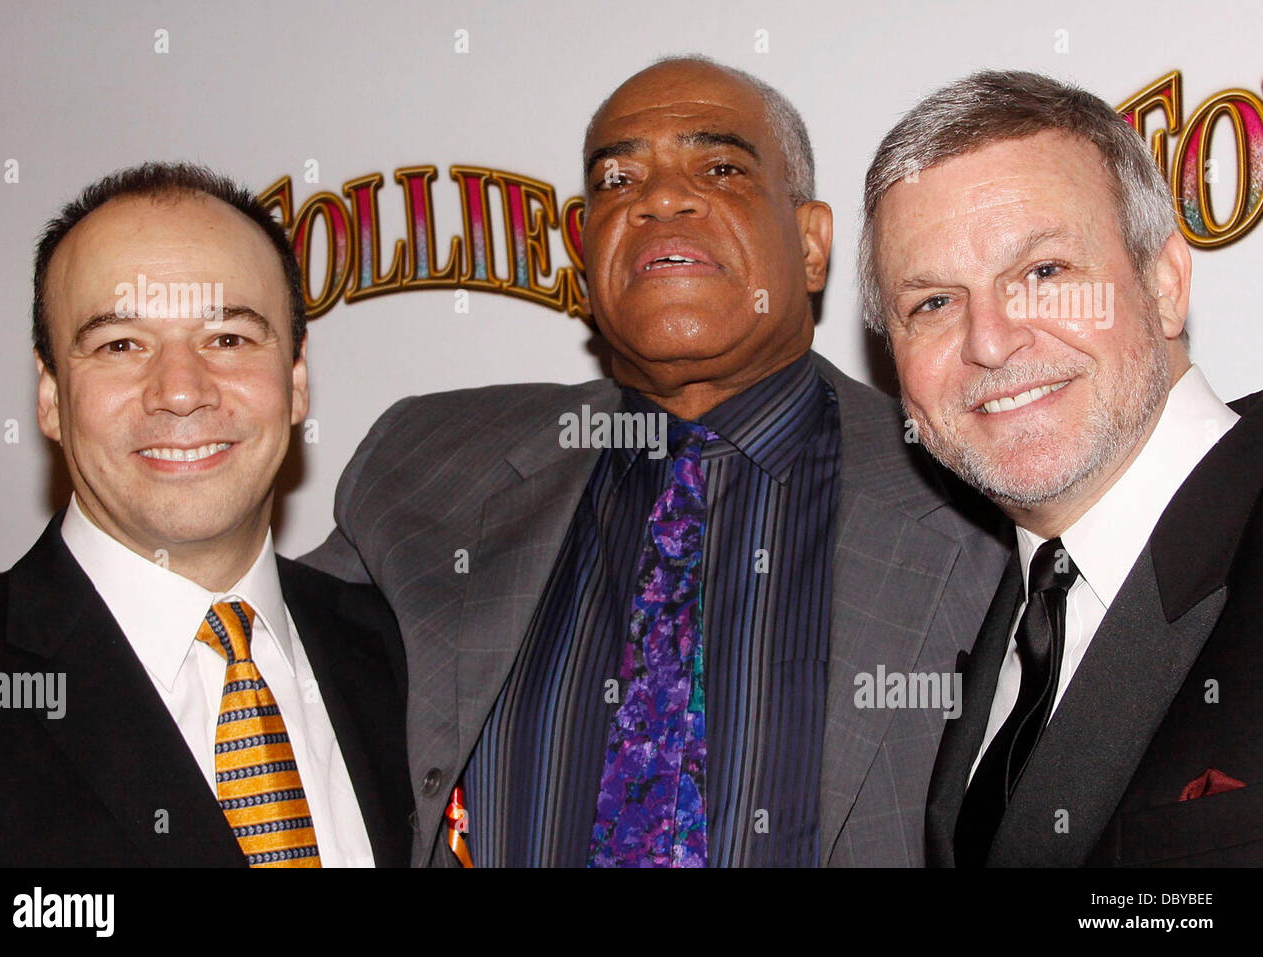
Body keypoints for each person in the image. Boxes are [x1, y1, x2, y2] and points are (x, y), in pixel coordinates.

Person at [304, 56, 1008, 867]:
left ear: (812, 245)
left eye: (721, 168)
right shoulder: (428, 464)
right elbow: (264, 657)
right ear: (584, 250)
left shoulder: (978, 492)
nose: (660, 199)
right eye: (617, 180)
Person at [860, 70, 1263, 866]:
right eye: (933, 302)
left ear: (1165, 284)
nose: (990, 340)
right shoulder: (987, 615)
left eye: (1044, 272)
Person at [0, 163, 413, 867]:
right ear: (49, 395)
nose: (179, 391)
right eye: (120, 344)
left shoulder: (405, 653)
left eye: (228, 338)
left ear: (296, 379)